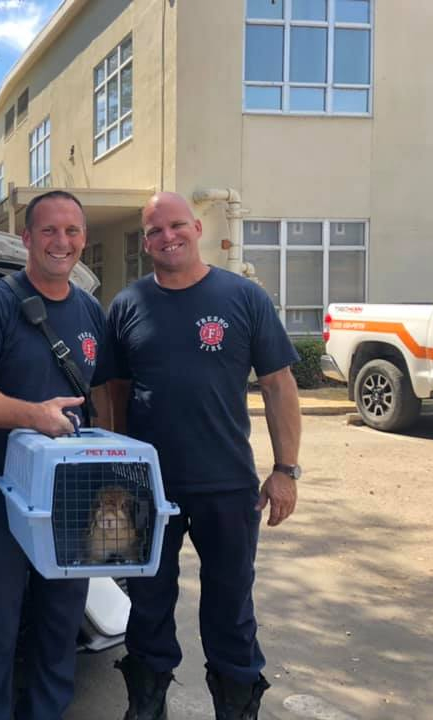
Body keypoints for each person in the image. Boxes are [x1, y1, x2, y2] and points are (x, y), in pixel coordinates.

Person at [106, 192, 301, 720]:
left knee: (231, 605)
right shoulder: (128, 305)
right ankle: (146, 706)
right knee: (146, 603)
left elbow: (279, 385)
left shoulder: (243, 297)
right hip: (147, 487)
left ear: (196, 227)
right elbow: (114, 394)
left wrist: (285, 471)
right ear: (145, 241)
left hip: (227, 484)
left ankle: (237, 707)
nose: (167, 237)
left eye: (176, 226)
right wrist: (112, 472)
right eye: (154, 231)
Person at [0, 190, 113, 720]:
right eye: (48, 230)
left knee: (60, 625)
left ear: (84, 238)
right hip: (1, 497)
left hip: (71, 502)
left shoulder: (90, 310)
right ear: (26, 238)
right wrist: (33, 415)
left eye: (71, 231)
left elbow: (102, 394)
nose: (61, 242)